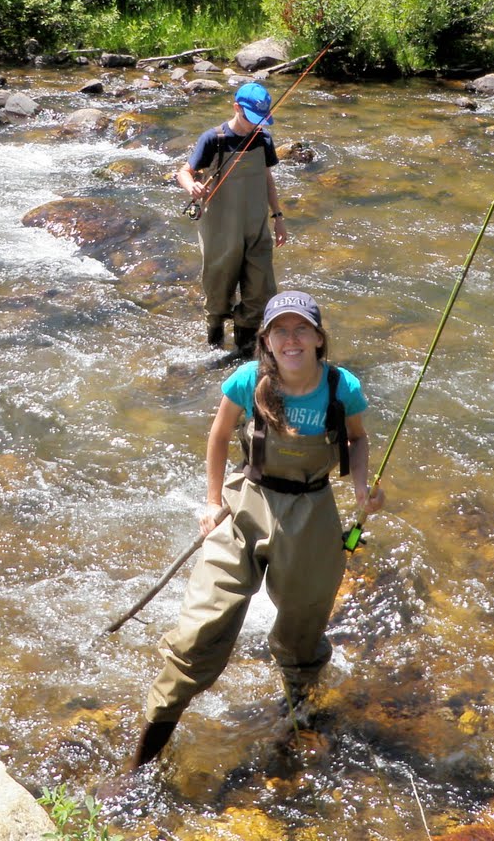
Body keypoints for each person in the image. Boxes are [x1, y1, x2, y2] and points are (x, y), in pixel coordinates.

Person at [130, 290, 386, 769]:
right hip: (247, 505)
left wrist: (362, 491)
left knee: (301, 635)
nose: (291, 339)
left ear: (317, 337)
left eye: (300, 329)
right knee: (199, 632)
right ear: (266, 340)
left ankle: (298, 720)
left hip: (312, 511)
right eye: (280, 331)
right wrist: (210, 504)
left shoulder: (341, 386)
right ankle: (139, 767)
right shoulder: (248, 380)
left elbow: (357, 438)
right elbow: (219, 437)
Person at [176, 82, 288, 358]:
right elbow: (185, 171)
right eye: (250, 118)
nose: (254, 125)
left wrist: (278, 216)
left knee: (261, 290)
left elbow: (266, 177)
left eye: (259, 119)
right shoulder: (213, 139)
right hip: (220, 229)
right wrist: (192, 186)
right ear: (236, 107)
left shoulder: (264, 139)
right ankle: (214, 345)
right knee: (218, 289)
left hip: (255, 226)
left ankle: (244, 349)